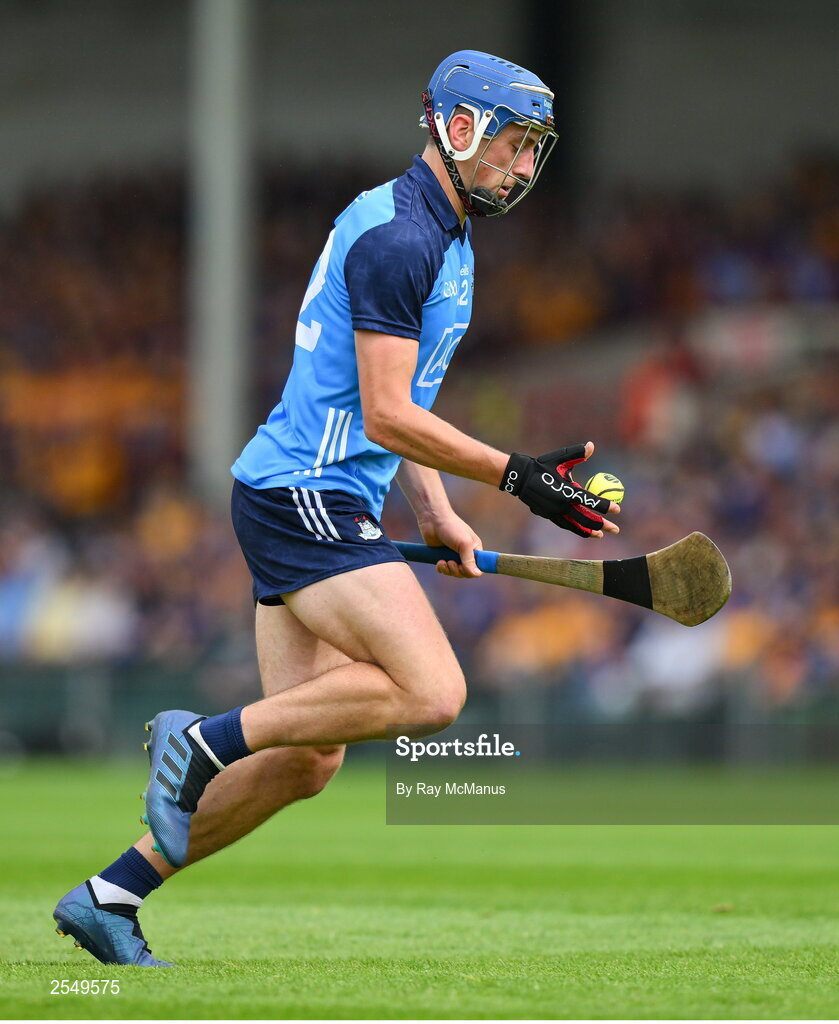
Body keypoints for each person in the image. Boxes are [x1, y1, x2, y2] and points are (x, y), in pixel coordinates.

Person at [53, 49, 620, 966]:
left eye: (533, 154)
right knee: (434, 693)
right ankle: (199, 740)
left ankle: (112, 893)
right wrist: (516, 476)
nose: (523, 170)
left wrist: (438, 509)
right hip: (303, 499)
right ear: (460, 126)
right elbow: (390, 411)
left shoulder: (437, 229)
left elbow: (399, 406)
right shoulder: (403, 237)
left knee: (308, 758)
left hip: (314, 495)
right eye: (515, 146)